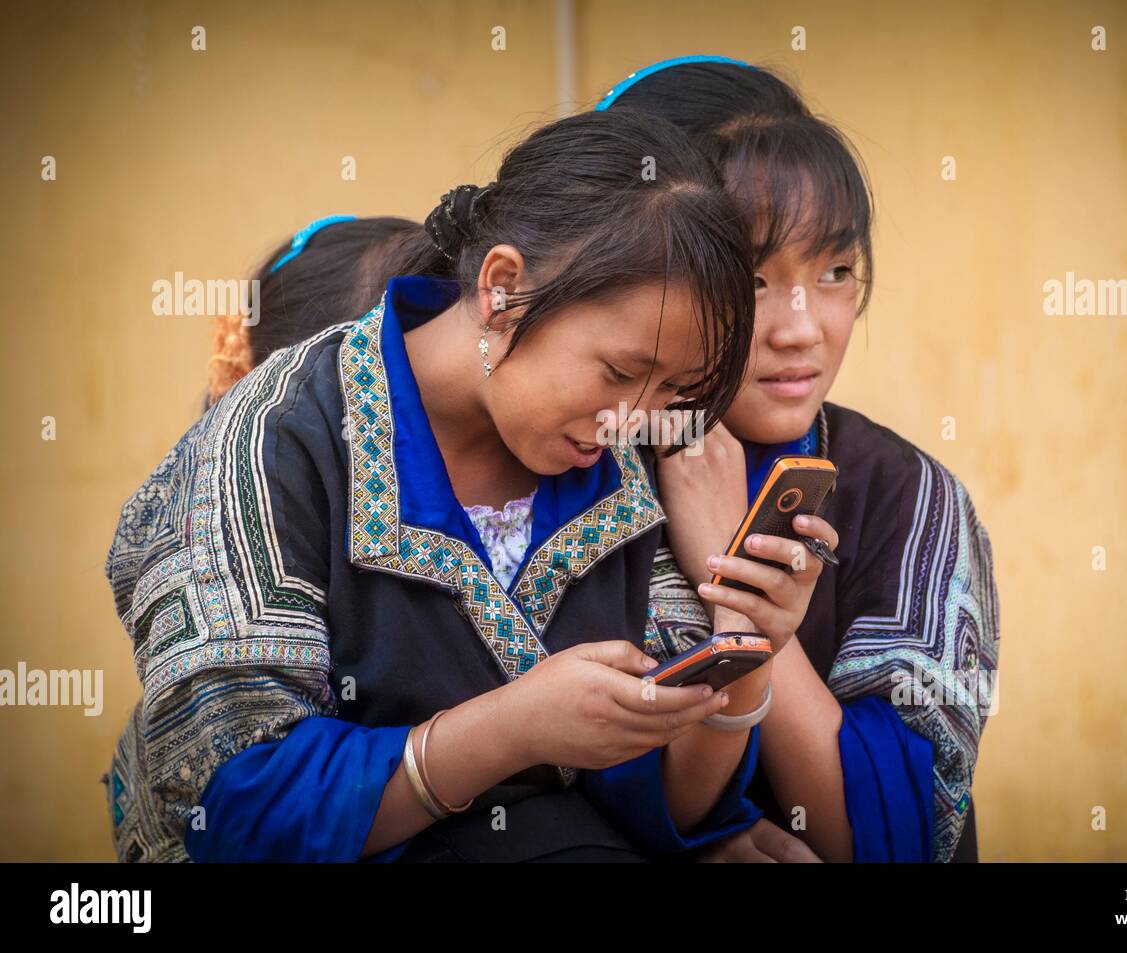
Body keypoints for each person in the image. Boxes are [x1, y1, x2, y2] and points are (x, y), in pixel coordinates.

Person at [104, 109, 803, 862]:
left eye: (672, 389)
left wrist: (744, 650)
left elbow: (664, 806)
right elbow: (233, 803)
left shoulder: (624, 471)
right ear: (502, 290)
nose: (629, 421)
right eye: (621, 372)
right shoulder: (277, 439)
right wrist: (506, 729)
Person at [600, 56, 1001, 863]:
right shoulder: (573, 464)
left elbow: (886, 836)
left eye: (836, 272)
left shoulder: (907, 501)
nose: (802, 327)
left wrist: (737, 589)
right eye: (750, 278)